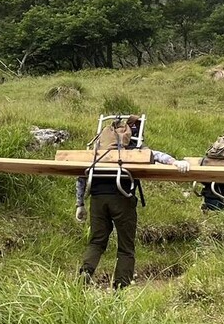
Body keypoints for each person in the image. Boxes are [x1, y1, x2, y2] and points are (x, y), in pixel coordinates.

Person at [74, 117, 189, 289]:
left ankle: (84, 276)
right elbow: (156, 156)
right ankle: (120, 289)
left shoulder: (96, 150)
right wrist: (175, 162)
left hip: (97, 200)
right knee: (126, 247)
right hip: (122, 198)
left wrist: (80, 204)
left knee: (96, 242)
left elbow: (82, 177)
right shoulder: (133, 148)